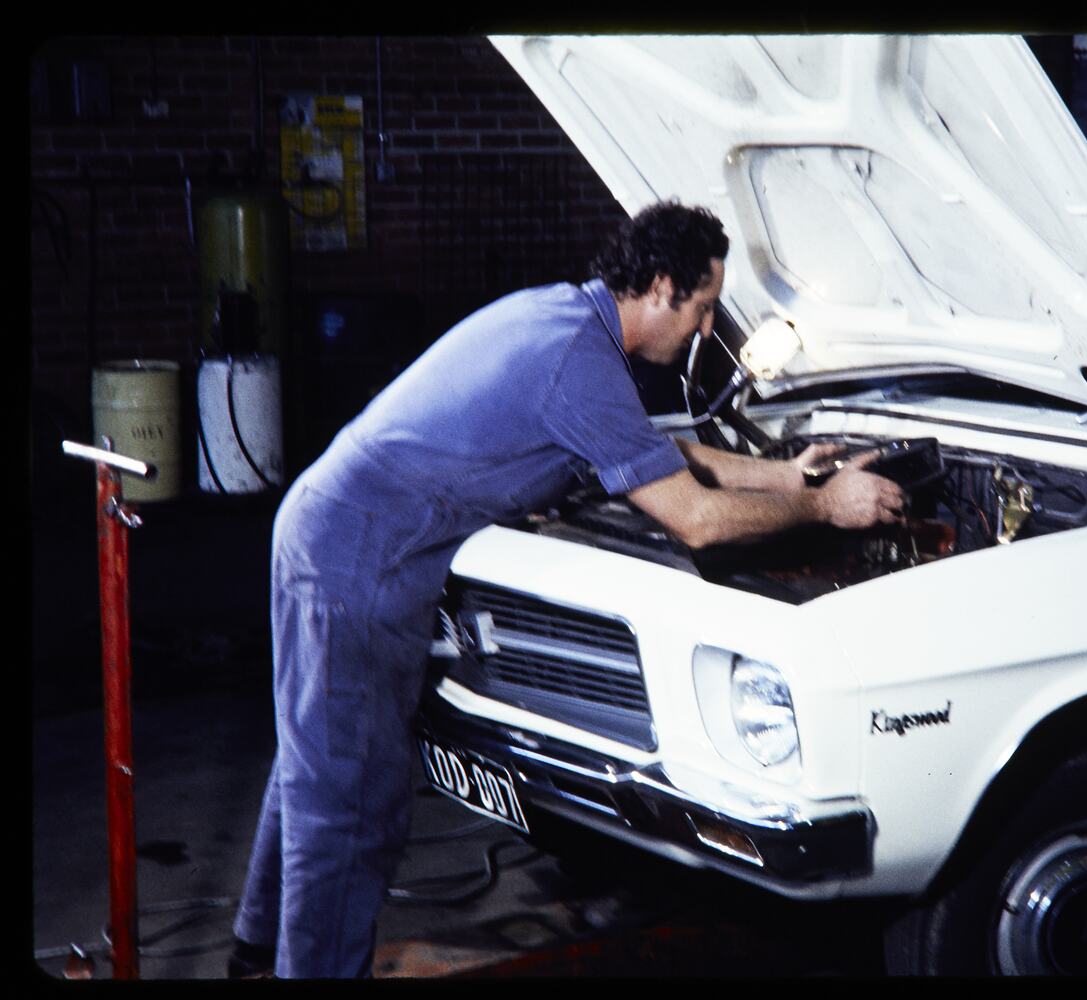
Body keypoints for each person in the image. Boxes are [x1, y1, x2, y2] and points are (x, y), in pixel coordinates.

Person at [228, 200, 906, 978]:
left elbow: (663, 449)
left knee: (313, 765)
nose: (707, 326)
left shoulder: (562, 320)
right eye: (704, 304)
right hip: (356, 563)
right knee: (349, 804)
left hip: (330, 535)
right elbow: (697, 521)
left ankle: (253, 954)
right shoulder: (575, 364)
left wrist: (786, 474)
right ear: (658, 287)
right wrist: (825, 505)